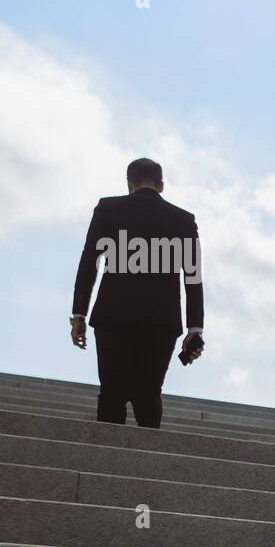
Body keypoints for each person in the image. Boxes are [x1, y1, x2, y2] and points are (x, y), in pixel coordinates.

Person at [70, 158, 204, 428]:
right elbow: (193, 277)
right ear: (162, 185)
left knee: (111, 393)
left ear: (129, 184)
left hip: (112, 316)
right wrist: (195, 328)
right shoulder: (183, 219)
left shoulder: (108, 209)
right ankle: (149, 459)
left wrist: (78, 313)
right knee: (149, 394)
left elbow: (89, 263)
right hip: (161, 321)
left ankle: (107, 458)